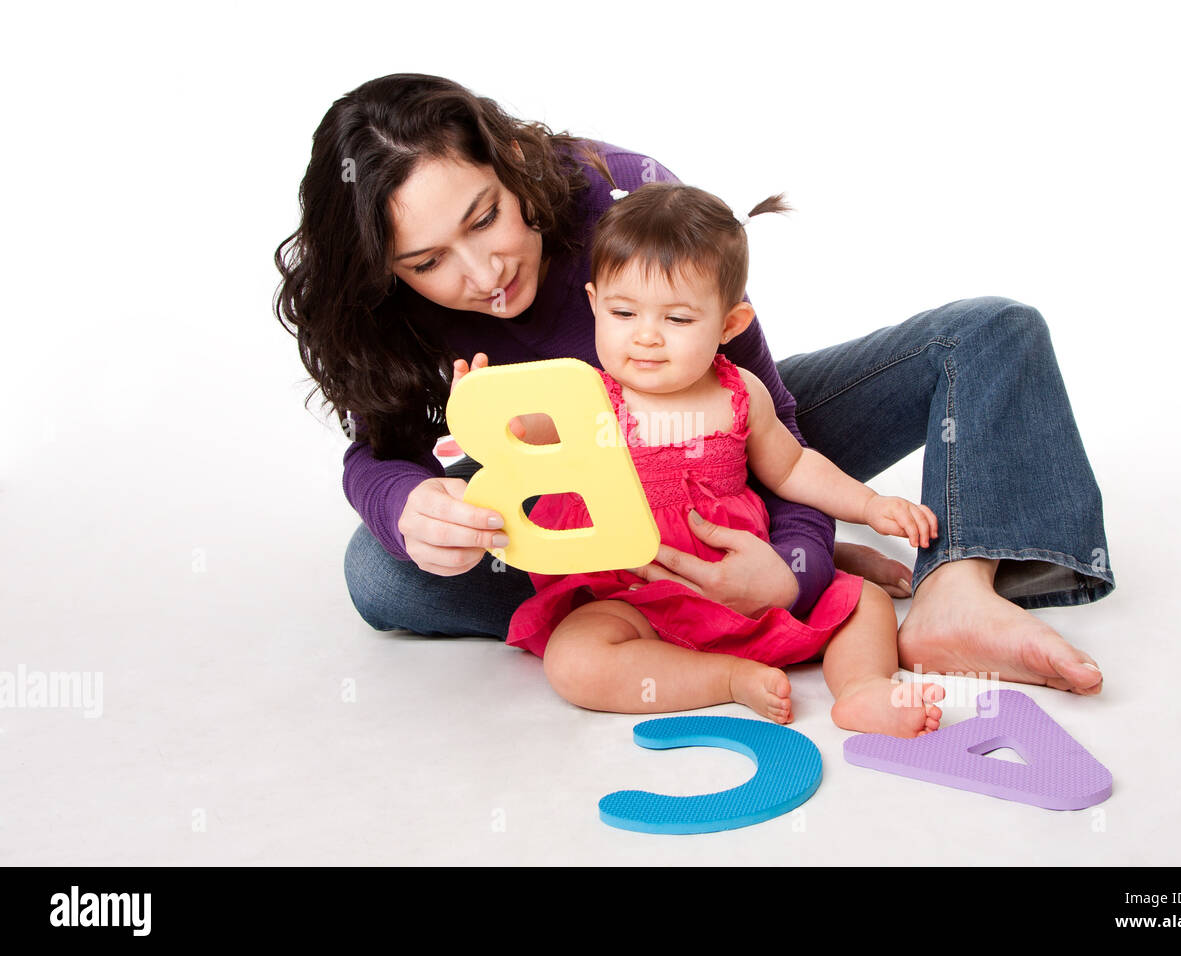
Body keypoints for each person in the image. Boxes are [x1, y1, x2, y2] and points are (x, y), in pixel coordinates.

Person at [273, 74, 1112, 700]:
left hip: (724, 454)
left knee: (989, 333)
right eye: (426, 264)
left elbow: (772, 417)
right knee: (380, 574)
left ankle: (954, 590)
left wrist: (793, 561)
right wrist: (410, 506)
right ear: (384, 271)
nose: (482, 272)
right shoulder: (384, 313)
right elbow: (380, 453)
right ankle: (670, 615)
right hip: (590, 527)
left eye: (485, 217)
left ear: (513, 164)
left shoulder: (618, 194)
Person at [442, 177, 944, 734]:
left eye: (677, 319)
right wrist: (479, 409)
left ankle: (863, 688)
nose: (647, 337)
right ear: (594, 305)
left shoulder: (740, 393)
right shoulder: (591, 397)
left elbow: (795, 467)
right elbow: (521, 431)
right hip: (633, 595)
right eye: (624, 313)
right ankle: (726, 678)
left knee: (865, 605)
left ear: (730, 324)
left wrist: (870, 504)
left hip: (741, 583)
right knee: (574, 660)